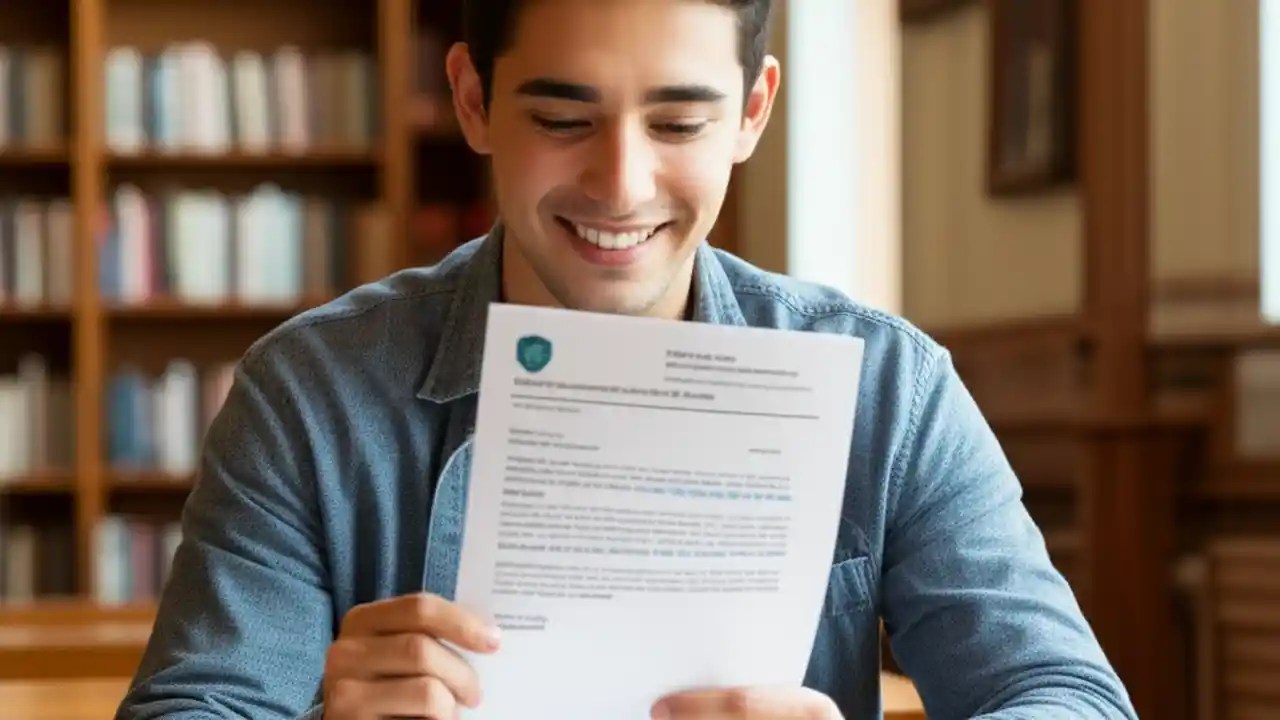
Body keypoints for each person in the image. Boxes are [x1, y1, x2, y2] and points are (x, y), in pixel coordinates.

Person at [116, 1, 1138, 718]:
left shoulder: (887, 389)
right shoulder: (310, 394)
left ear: (750, 112)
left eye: (678, 121)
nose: (619, 183)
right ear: (471, 99)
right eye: (563, 120)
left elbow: (1063, 697)